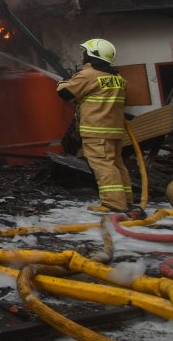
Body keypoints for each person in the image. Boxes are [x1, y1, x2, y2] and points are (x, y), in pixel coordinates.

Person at [56, 38, 143, 218]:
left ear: (91, 56)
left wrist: (62, 83)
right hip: (113, 130)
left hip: (96, 130)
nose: (83, 56)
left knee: (103, 166)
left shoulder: (89, 75)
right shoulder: (117, 78)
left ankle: (113, 204)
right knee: (116, 165)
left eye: (85, 53)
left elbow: (65, 93)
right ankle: (126, 201)